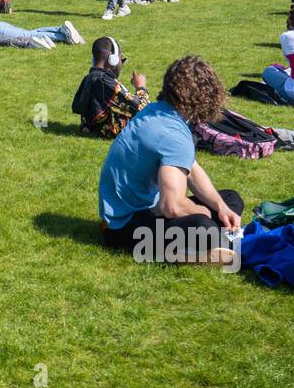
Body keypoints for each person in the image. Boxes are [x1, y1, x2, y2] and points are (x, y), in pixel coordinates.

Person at [74, 37, 294, 157]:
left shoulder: (90, 82)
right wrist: (142, 87)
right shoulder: (109, 86)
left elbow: (88, 120)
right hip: (173, 131)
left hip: (162, 132)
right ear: (111, 58)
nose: (122, 63)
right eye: (120, 58)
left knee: (245, 130)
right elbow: (144, 109)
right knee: (249, 134)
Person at [97, 56, 243, 262]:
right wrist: (205, 213)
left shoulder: (155, 111)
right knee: (205, 226)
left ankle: (201, 245)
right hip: (124, 228)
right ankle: (190, 253)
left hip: (130, 214)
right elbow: (171, 206)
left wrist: (221, 208)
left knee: (230, 199)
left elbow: (191, 168)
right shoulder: (174, 135)